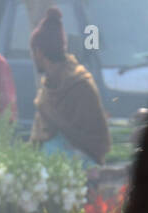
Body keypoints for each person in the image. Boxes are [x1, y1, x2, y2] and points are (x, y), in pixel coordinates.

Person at [28, 6, 110, 165]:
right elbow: (39, 135)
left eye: (32, 52)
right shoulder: (49, 85)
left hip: (80, 167)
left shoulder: (79, 84)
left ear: (38, 52)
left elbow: (96, 141)